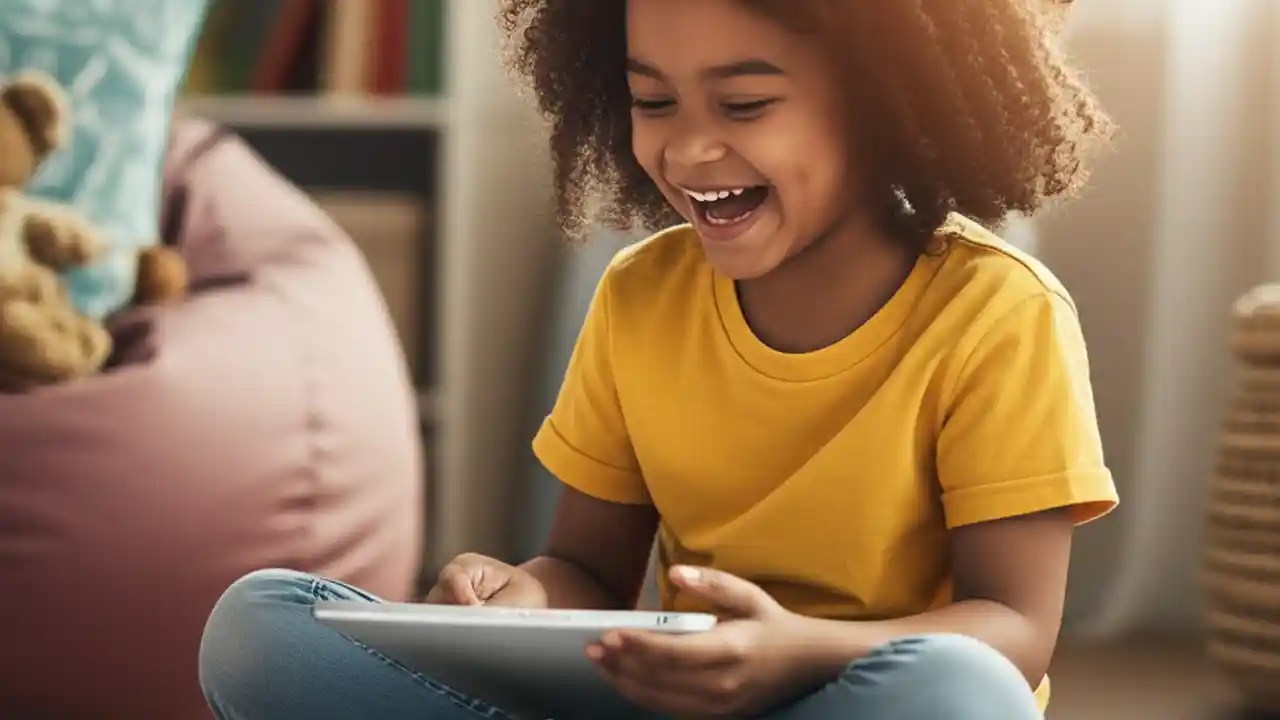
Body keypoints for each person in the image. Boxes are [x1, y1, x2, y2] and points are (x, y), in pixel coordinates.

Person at [198, 0, 1119, 718]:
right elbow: (588, 573)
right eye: (652, 100)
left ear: (887, 100)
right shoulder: (641, 295)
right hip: (669, 701)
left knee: (958, 696)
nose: (687, 147)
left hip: (865, 697)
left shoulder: (998, 313)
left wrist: (791, 651)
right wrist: (516, 604)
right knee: (260, 628)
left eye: (746, 104)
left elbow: (1014, 634)